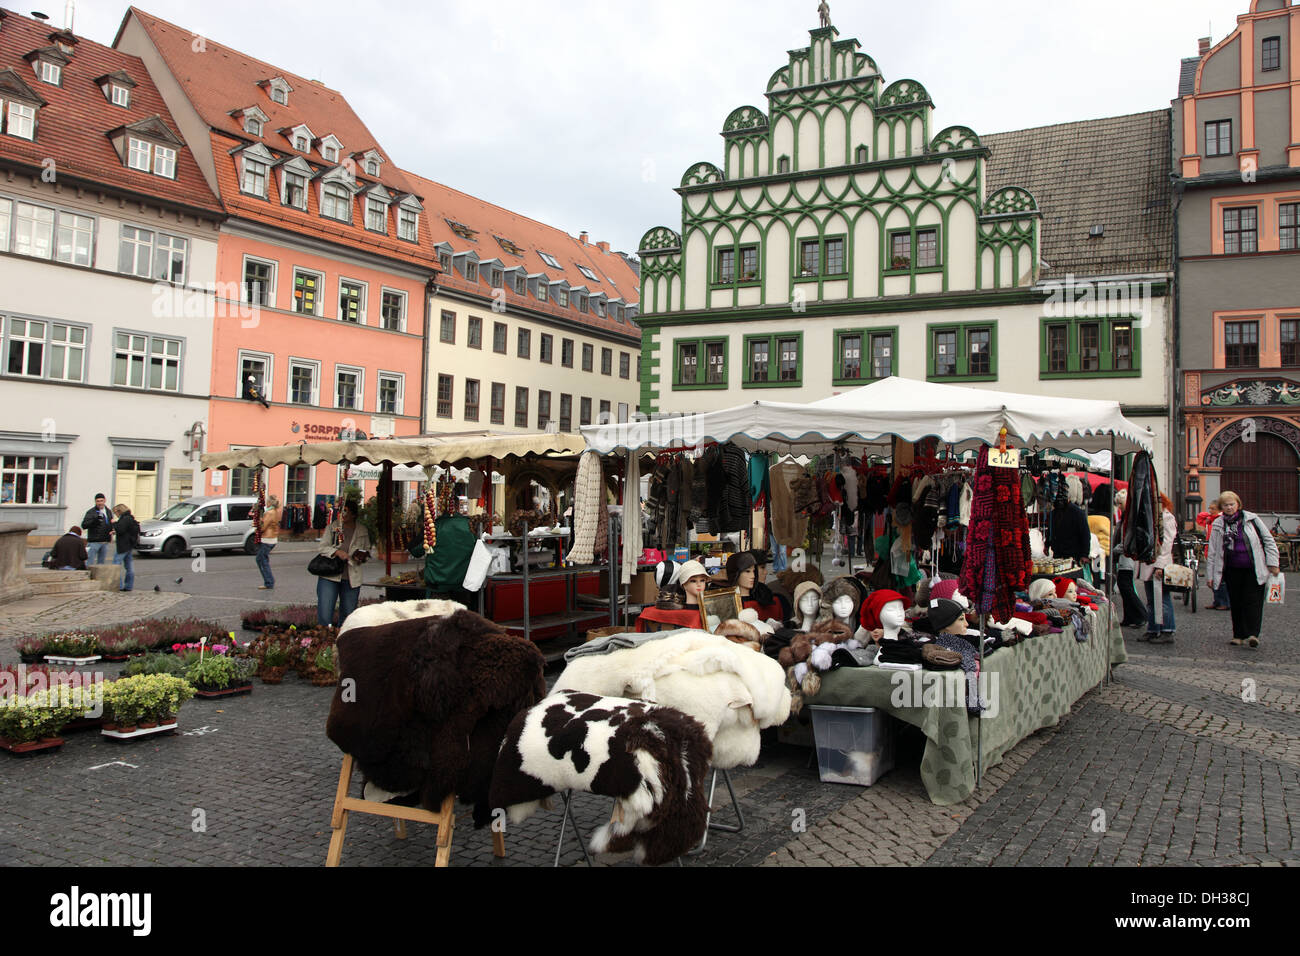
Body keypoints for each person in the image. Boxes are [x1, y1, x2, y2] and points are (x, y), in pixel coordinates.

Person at [1205, 490, 1280, 648]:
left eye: (1232, 504)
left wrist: (1273, 563)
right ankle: (1238, 634)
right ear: (1221, 507)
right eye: (1226, 505)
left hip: (1254, 568)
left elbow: (1268, 540)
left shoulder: (1251, 519)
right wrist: (1210, 576)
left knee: (1253, 601)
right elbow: (1213, 551)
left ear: (1238, 504)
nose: (1229, 507)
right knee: (1236, 601)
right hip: (1232, 569)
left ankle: (1253, 634)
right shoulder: (1219, 524)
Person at [316, 497, 371, 627]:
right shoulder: (333, 527)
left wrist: (362, 556)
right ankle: (324, 641)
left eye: (345, 511)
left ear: (353, 514)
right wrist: (336, 552)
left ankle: (343, 641)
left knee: (348, 615)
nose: (342, 514)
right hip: (330, 574)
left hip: (351, 576)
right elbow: (322, 547)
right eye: (341, 511)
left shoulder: (362, 530)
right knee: (325, 613)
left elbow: (367, 550)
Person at [1136, 493, 1179, 643]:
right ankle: (1153, 629)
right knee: (1152, 598)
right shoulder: (1152, 517)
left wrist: (1160, 565)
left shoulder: (1166, 518)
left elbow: (1167, 544)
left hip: (1159, 563)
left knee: (1162, 598)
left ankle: (1167, 630)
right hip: (1150, 562)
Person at [1113, 489, 1148, 628]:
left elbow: (1126, 540)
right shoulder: (1127, 518)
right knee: (1124, 586)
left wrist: (1116, 550)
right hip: (1125, 557)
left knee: (1125, 586)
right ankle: (1130, 616)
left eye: (1120, 504)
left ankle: (1140, 614)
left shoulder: (1129, 520)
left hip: (1127, 557)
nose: (1119, 507)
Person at [1198, 498, 1231, 610]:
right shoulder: (1211, 520)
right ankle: (1217, 601)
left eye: (1213, 508)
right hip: (1210, 549)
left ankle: (1224, 602)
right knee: (1212, 577)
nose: (1210, 510)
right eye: (1210, 508)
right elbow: (1200, 517)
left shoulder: (1221, 520)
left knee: (1221, 578)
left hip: (1219, 551)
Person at [1087, 484, 1113, 586]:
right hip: (1104, 552)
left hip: (1091, 551)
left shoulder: (1088, 515)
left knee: (1094, 578)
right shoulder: (1108, 518)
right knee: (1102, 577)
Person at [111, 504, 140, 591]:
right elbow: (126, 531)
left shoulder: (125, 519)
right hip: (129, 545)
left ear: (119, 511)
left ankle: (119, 585)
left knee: (116, 565)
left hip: (123, 545)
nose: (116, 515)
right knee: (129, 567)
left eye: (115, 512)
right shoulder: (130, 518)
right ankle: (128, 586)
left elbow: (120, 529)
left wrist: (114, 523)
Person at [256, 495, 282, 590]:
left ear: (270, 503)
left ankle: (269, 582)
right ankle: (269, 581)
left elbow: (263, 527)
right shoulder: (275, 512)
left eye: (267, 502)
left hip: (267, 538)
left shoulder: (269, 513)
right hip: (272, 538)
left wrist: (259, 521)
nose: (266, 503)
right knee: (262, 559)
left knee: (261, 560)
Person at [81, 493, 113, 565]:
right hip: (94, 541)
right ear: (95, 502)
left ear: (105, 501)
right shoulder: (91, 512)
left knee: (101, 564)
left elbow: (110, 524)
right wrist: (95, 521)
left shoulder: (108, 511)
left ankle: (98, 576)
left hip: (105, 541)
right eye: (98, 501)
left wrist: (111, 532)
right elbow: (84, 525)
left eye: (101, 501)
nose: (100, 503)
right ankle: (88, 575)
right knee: (89, 562)